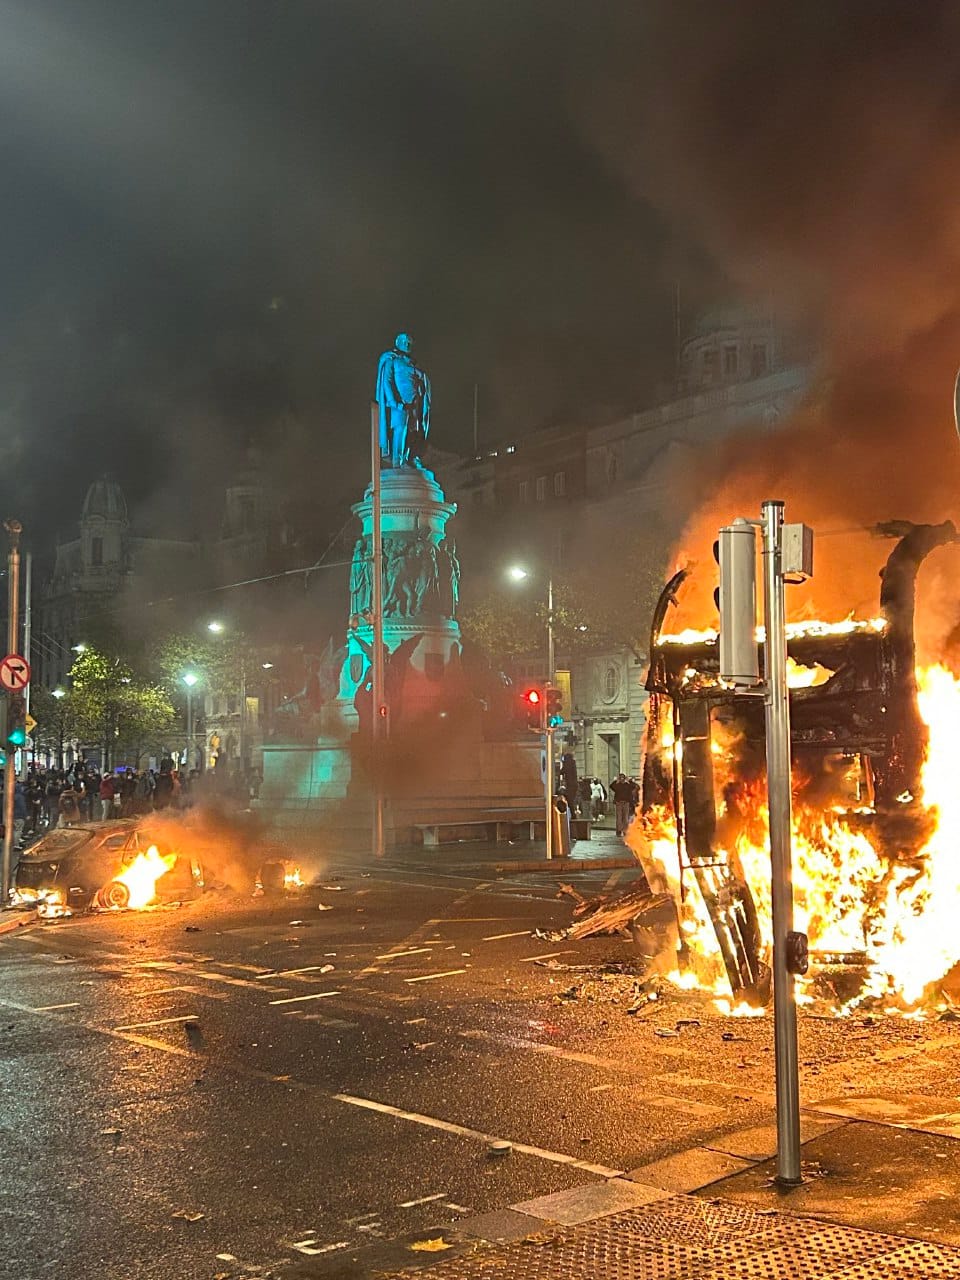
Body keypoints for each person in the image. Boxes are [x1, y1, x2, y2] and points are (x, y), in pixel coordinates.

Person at [375, 333, 431, 467]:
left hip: (415, 403)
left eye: (409, 342)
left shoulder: (413, 363)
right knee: (400, 429)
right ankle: (397, 461)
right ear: (397, 342)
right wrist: (394, 403)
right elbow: (387, 382)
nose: (407, 344)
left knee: (413, 431)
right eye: (404, 341)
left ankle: (407, 458)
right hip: (399, 403)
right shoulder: (391, 360)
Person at [610, 772, 634, 838]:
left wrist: (629, 781)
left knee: (625, 818)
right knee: (619, 817)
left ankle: (625, 830)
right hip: (619, 802)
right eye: (620, 778)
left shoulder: (627, 785)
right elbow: (611, 786)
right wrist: (616, 781)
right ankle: (619, 831)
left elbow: (634, 786)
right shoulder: (617, 785)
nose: (622, 779)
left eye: (623, 778)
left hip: (626, 803)